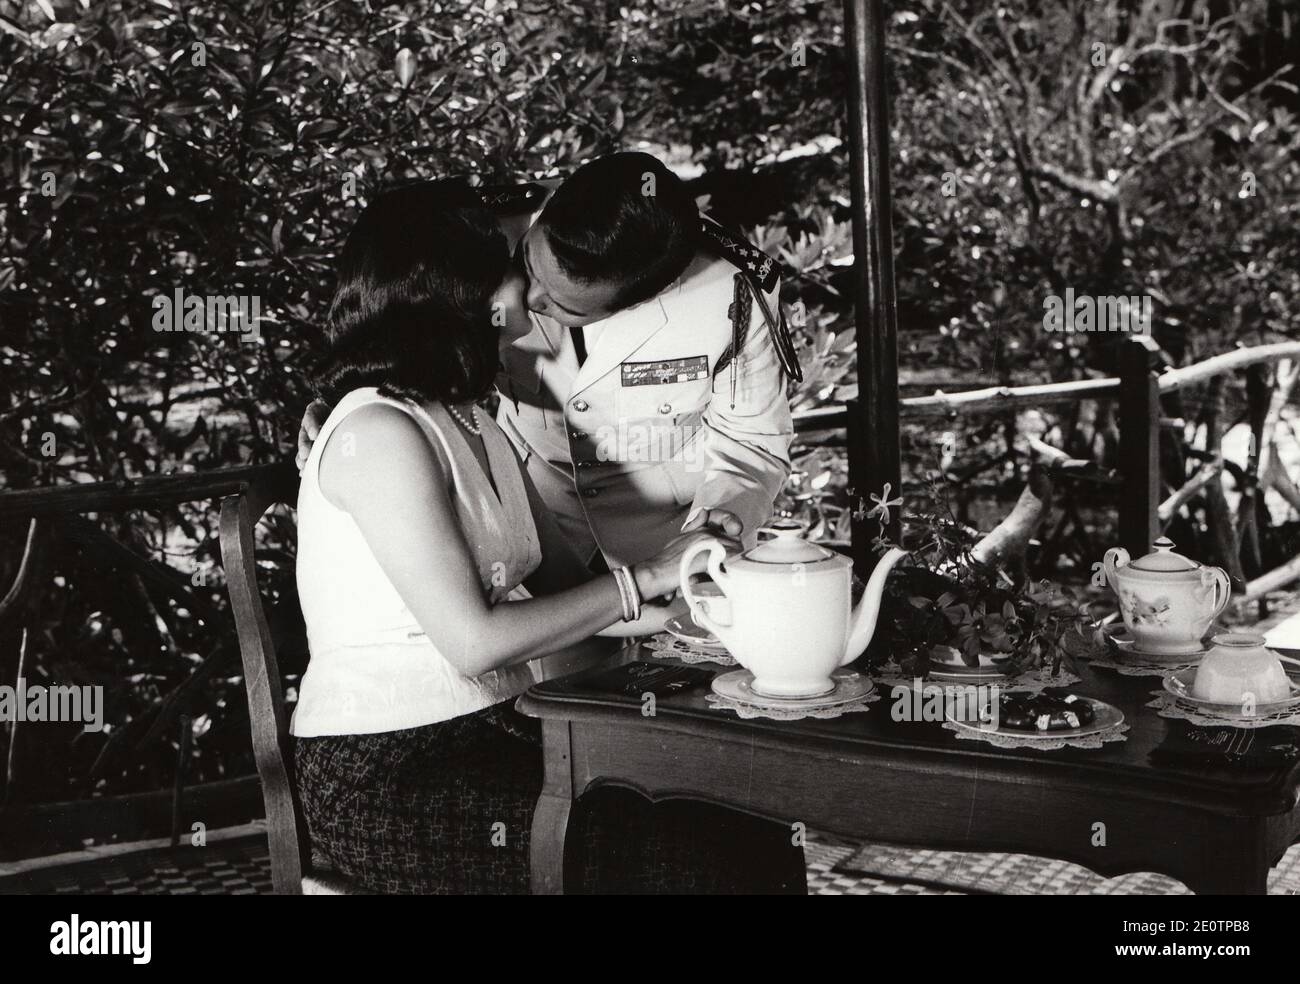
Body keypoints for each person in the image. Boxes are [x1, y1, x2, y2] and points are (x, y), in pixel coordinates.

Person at [293, 180, 806, 893]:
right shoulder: (381, 429)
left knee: (751, 821)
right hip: (391, 768)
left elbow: (571, 576)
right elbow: (475, 643)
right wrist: (641, 583)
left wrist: (670, 601)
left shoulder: (472, 419)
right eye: (512, 276)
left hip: (492, 726)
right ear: (447, 293)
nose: (529, 307)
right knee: (693, 859)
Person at [300, 151, 799, 573]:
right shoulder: (486, 229)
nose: (528, 300)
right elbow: (395, 319)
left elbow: (752, 438)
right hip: (529, 537)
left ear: (639, 299)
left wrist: (721, 520)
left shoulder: (727, 291)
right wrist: (348, 403)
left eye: (564, 306)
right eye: (527, 268)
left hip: (671, 548)